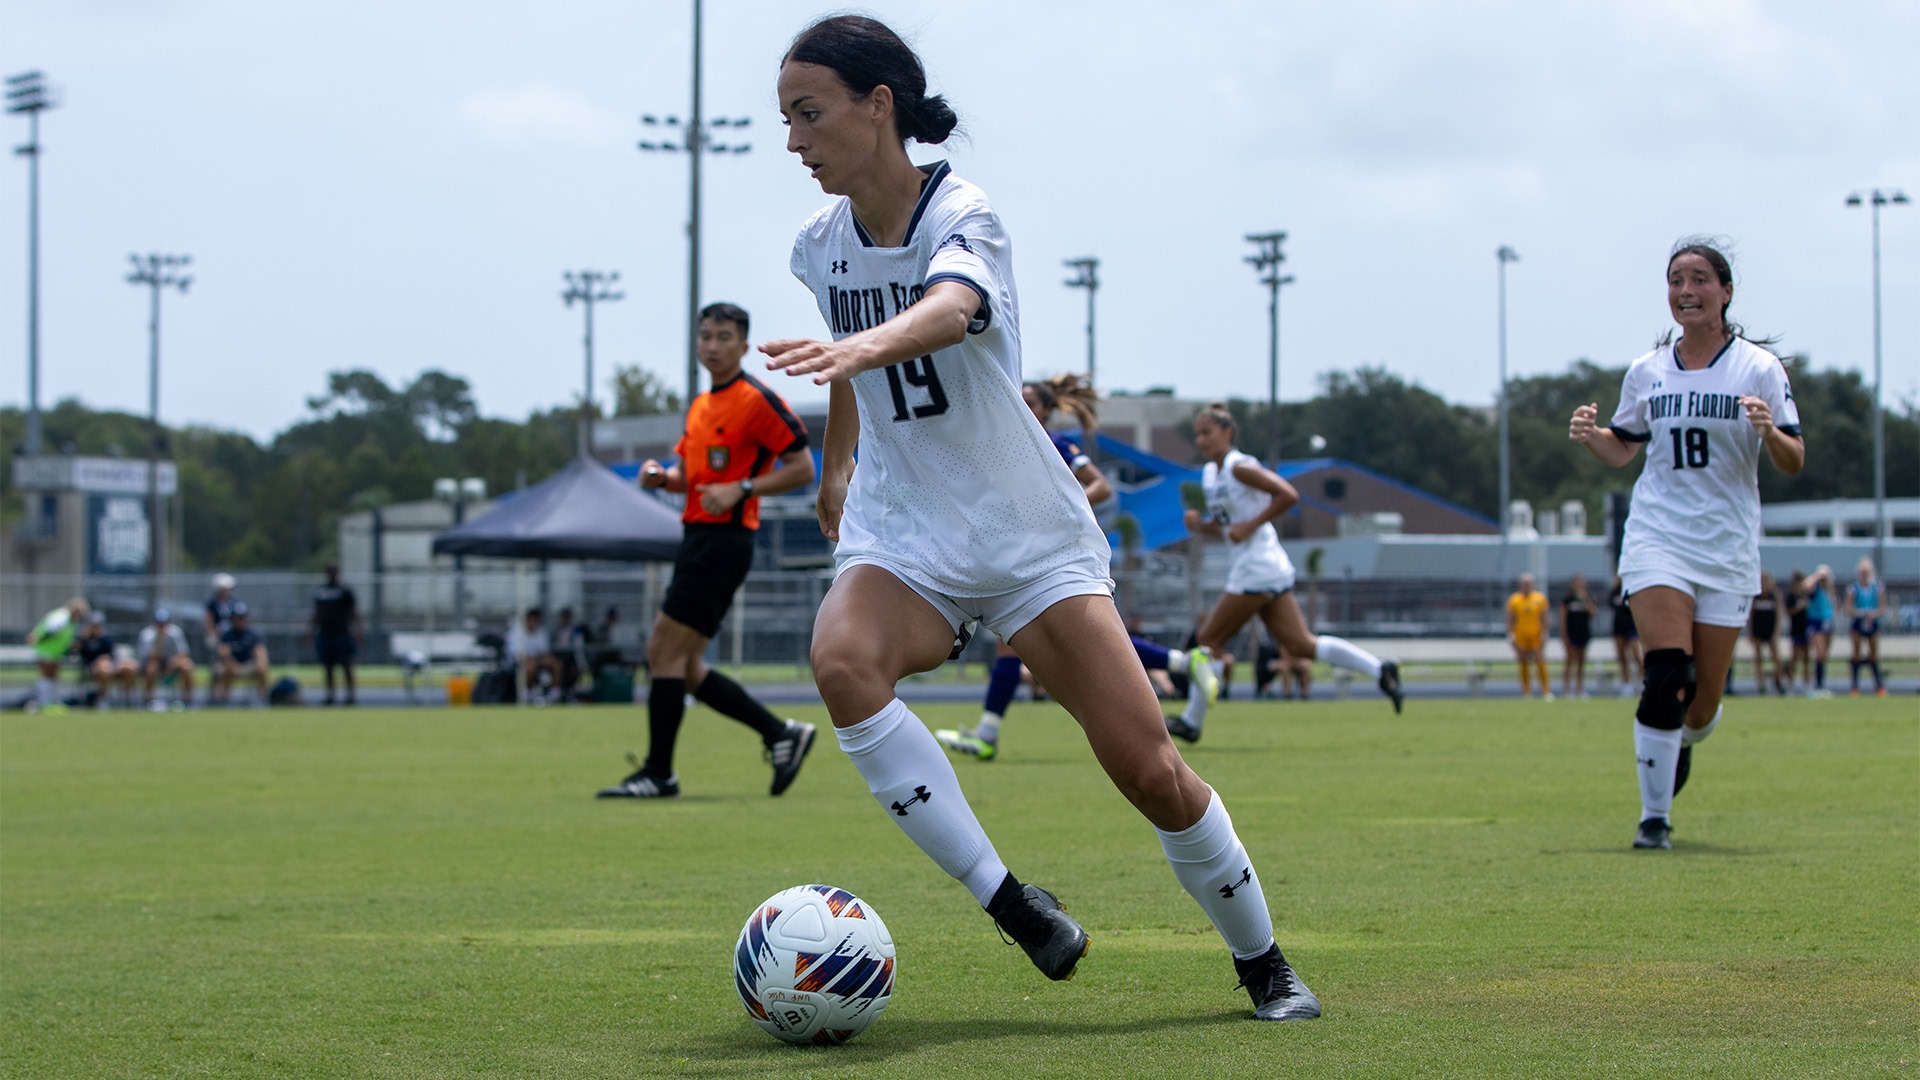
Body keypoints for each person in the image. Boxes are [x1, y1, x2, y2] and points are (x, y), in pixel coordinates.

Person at [760, 16, 1320, 1021]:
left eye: (810, 114)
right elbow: (850, 353)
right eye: (786, 120)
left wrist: (857, 353)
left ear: (878, 105)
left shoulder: (962, 211)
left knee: (1150, 770)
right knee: (841, 663)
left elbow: (951, 310)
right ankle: (1013, 904)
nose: (794, 141)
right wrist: (838, 460)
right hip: (904, 534)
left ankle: (1262, 960)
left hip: (1023, 533)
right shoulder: (818, 246)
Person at [1568, 236, 1804, 851]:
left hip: (1725, 546)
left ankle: (1684, 735)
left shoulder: (1758, 368)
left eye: (1700, 279)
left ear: (1725, 292)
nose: (1686, 290)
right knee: (1665, 673)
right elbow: (1624, 449)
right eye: (1676, 280)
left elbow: (1794, 458)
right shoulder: (1648, 370)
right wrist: (1593, 436)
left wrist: (1767, 432)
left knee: (1698, 705)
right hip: (1657, 537)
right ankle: (1654, 821)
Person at [597, 301, 819, 800]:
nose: (712, 346)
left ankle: (660, 773)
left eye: (723, 337)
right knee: (687, 668)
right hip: (698, 538)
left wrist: (742, 488)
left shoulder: (755, 400)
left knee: (661, 650)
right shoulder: (701, 405)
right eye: (705, 337)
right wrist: (662, 477)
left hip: (724, 543)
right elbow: (691, 479)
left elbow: (803, 468)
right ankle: (781, 734)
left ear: (743, 345)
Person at [935, 374, 1219, 761]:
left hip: (1051, 558)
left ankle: (988, 734)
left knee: (1075, 639)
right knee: (1016, 645)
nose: (1024, 407)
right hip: (1018, 556)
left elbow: (1101, 486)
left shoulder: (1054, 444)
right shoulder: (1004, 444)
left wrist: (1055, 507)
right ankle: (987, 733)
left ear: (1048, 412)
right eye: (1020, 399)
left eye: (1032, 403)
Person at [1174, 403, 1403, 742]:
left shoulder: (1240, 467)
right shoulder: (1211, 474)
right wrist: (1202, 526)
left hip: (1258, 568)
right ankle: (1379, 669)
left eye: (1208, 432)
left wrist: (1249, 526)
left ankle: (1192, 723)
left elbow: (1287, 495)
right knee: (1300, 644)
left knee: (1208, 640)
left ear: (1228, 433)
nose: (1202, 439)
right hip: (1259, 567)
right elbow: (1228, 528)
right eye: (1197, 434)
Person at [309, 563, 362, 706]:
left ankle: (350, 695)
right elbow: (317, 613)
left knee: (347, 664)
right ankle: (330, 695)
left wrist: (358, 630)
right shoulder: (321, 591)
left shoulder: (345, 590)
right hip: (326, 634)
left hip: (342, 633)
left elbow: (353, 611)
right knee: (328, 667)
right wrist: (311, 631)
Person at [26, 597, 89, 710]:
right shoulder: (61, 617)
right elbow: (51, 631)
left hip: (53, 652)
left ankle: (49, 702)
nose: (80, 617)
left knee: (52, 676)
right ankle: (43, 703)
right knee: (47, 676)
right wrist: (37, 640)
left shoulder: (69, 620)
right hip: (45, 650)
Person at [1844, 557, 1887, 697]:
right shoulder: (1853, 588)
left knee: (1873, 655)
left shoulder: (1877, 588)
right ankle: (1855, 687)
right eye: (1862, 571)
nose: (1865, 574)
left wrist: (1872, 614)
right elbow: (1848, 608)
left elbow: (1882, 608)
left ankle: (1879, 687)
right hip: (1858, 622)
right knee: (1856, 655)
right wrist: (1861, 613)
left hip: (1872, 622)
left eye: (1867, 571)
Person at [138, 607, 195, 709]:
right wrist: (160, 641)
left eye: (164, 623)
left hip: (172, 662)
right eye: (159, 623)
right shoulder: (147, 634)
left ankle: (188, 700)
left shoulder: (175, 632)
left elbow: (183, 652)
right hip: (154, 662)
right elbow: (149, 656)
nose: (162, 626)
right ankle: (148, 700)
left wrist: (172, 663)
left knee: (187, 666)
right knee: (151, 669)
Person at [76, 612, 137, 708]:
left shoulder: (106, 639)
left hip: (110, 664)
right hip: (94, 668)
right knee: (104, 670)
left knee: (130, 667)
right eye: (94, 625)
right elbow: (83, 657)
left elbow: (112, 655)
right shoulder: (85, 640)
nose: (96, 628)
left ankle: (127, 699)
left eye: (98, 625)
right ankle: (103, 698)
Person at [216, 602, 272, 704]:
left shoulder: (252, 634)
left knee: (262, 669)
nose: (240, 620)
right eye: (238, 617)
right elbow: (223, 653)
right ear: (233, 618)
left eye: (242, 617)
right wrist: (232, 665)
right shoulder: (227, 635)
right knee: (226, 669)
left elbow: (260, 651)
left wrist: (261, 663)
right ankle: (225, 700)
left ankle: (264, 698)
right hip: (231, 664)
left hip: (248, 664)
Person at [1506, 574, 1551, 699]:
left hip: (1536, 634)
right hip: (1521, 634)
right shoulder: (1514, 600)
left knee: (1540, 660)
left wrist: (1545, 633)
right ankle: (1527, 692)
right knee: (1523, 661)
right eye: (1524, 584)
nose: (1526, 586)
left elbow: (1544, 617)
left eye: (1529, 584)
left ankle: (1545, 690)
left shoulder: (1539, 598)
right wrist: (1511, 634)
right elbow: (1511, 619)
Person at [507, 608, 562, 701]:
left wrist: (544, 658)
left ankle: (554, 692)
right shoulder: (517, 631)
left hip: (537, 660)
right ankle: (527, 692)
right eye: (533, 619)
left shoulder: (540, 632)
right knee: (530, 665)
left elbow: (544, 651)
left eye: (537, 620)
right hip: (519, 662)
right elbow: (514, 652)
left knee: (557, 664)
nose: (535, 622)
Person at [1748, 571, 1788, 696]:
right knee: (1758, 657)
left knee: (1776, 656)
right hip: (1758, 628)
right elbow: (1750, 615)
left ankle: (1780, 681)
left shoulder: (1774, 595)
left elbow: (1778, 615)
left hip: (1770, 629)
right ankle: (1761, 683)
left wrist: (1776, 632)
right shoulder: (1755, 595)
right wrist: (1750, 633)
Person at [1802, 564, 1836, 697]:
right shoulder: (1814, 589)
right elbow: (1806, 586)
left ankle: (1821, 683)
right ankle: (1817, 684)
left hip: (1827, 622)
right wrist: (1818, 576)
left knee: (1824, 656)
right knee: (1819, 653)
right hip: (1816, 622)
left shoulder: (1829, 590)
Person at [203, 573, 238, 702]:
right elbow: (209, 621)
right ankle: (213, 695)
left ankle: (226, 694)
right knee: (216, 668)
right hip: (217, 639)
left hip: (231, 639)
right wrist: (214, 634)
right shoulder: (212, 603)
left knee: (230, 666)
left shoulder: (233, 603)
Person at [1560, 575, 1595, 698]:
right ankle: (1567, 690)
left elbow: (1593, 613)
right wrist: (1564, 635)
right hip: (1571, 634)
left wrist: (1585, 600)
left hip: (1583, 633)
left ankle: (1580, 689)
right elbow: (1563, 618)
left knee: (1581, 662)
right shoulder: (1568, 599)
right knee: (1570, 661)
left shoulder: (1587, 598)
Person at [1607, 576, 1641, 697]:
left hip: (1631, 626)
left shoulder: (1631, 589)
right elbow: (1610, 605)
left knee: (1636, 656)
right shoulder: (1614, 592)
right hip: (1619, 627)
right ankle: (1626, 685)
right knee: (1622, 658)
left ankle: (1644, 683)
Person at [1784, 568, 1812, 694]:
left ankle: (1806, 683)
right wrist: (1799, 607)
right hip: (1796, 630)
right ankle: (1790, 684)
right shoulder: (1791, 596)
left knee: (1807, 658)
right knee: (1794, 658)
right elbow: (1789, 612)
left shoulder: (1807, 595)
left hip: (1807, 629)